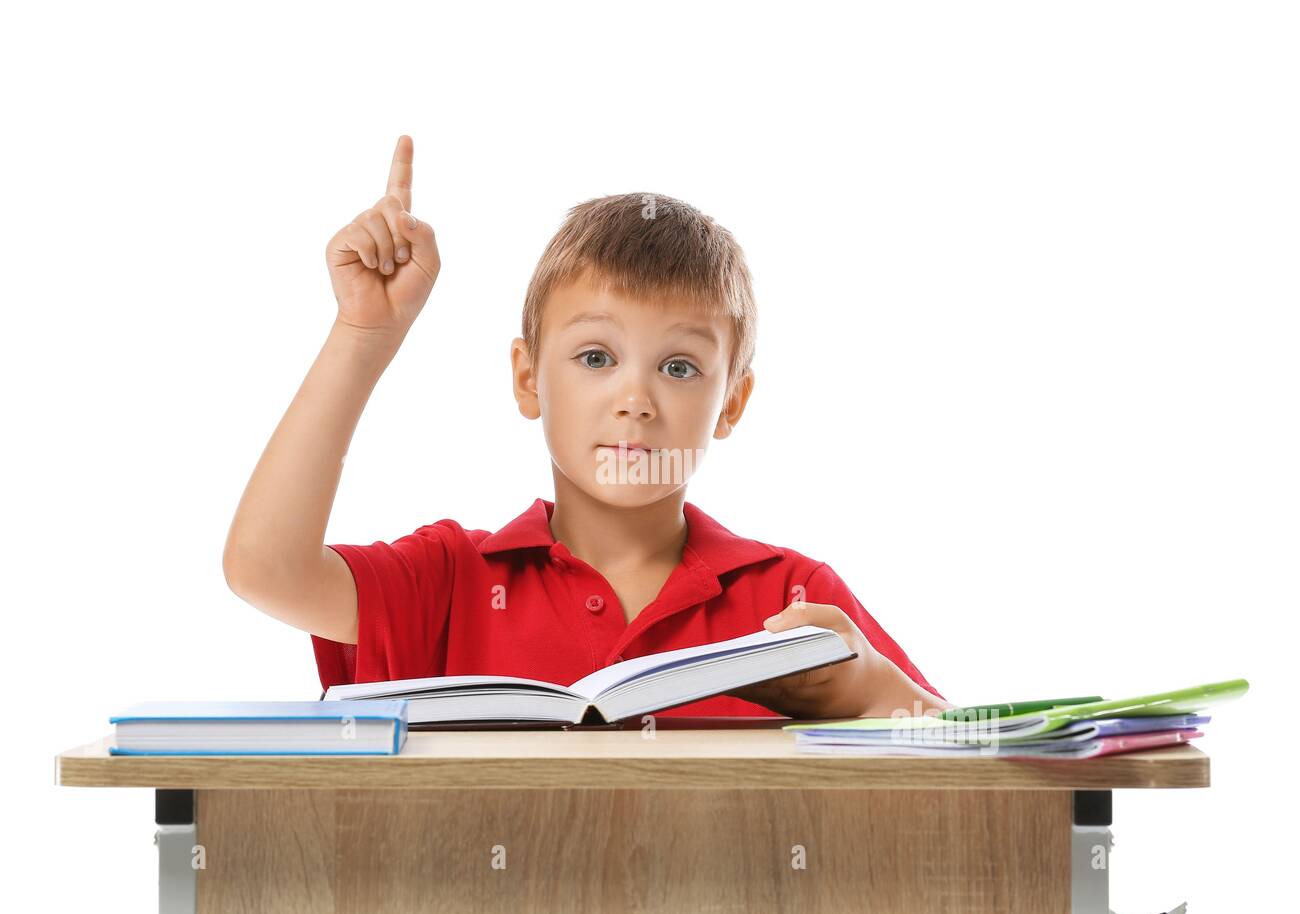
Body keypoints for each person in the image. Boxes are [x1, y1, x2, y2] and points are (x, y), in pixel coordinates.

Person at [223, 135, 949, 720]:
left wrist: (872, 692)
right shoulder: (448, 582)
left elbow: (978, 762)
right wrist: (362, 334)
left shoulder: (792, 597)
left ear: (732, 401)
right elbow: (263, 566)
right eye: (597, 356)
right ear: (528, 377)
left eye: (680, 367)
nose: (635, 398)